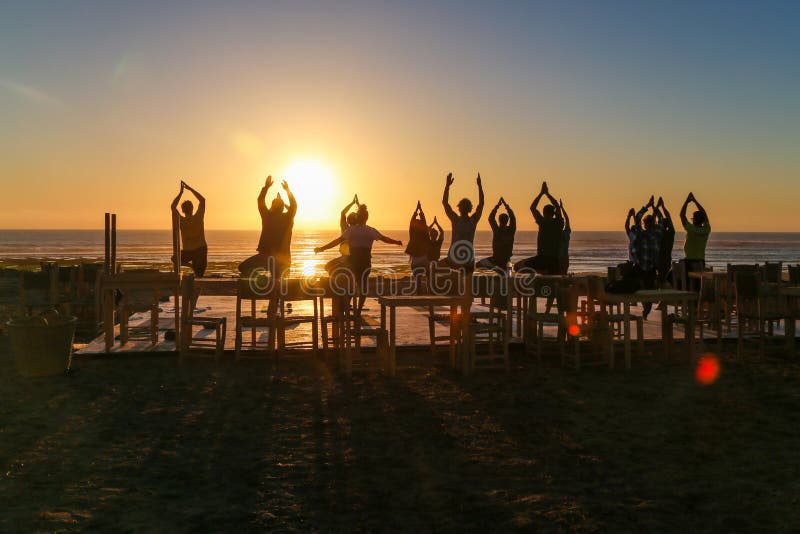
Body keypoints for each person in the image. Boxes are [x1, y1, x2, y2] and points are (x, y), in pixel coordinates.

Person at [314, 204, 403, 314]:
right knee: (363, 287)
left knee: (351, 286)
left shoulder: (352, 230)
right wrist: (396, 242)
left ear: (358, 218)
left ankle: (346, 305)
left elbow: (337, 241)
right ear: (366, 218)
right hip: (365, 262)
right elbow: (385, 239)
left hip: (353, 263)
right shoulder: (371, 230)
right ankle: (358, 310)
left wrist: (322, 248)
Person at [238, 175, 297, 278]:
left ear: (272, 206)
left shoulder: (267, 216)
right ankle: (266, 280)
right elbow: (293, 207)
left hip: (270, 258)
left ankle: (262, 279)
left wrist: (266, 187)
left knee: (243, 268)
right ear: (283, 208)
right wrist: (287, 191)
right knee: (279, 278)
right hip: (279, 259)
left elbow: (260, 201)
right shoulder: (287, 218)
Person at [514, 181, 563, 274]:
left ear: (544, 213)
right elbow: (557, 207)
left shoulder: (542, 222)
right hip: (555, 260)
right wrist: (548, 194)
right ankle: (543, 271)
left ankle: (540, 271)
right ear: (553, 213)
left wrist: (541, 193)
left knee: (516, 267)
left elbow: (532, 207)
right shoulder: (559, 223)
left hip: (542, 258)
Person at [439, 172, 484, 272]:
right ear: (470, 208)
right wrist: (480, 186)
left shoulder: (455, 220)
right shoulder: (473, 220)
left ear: (459, 208)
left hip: (453, 259)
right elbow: (481, 204)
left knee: (432, 269)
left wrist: (447, 186)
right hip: (468, 260)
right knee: (468, 283)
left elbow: (445, 203)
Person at [629, 196, 663, 319]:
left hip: (641, 267)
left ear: (644, 224)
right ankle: (646, 310)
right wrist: (655, 208)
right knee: (649, 289)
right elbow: (662, 220)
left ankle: (646, 309)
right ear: (653, 224)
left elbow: (637, 218)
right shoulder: (657, 234)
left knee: (644, 289)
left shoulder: (640, 234)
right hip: (652, 267)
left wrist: (647, 206)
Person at [170, 181, 207, 277]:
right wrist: (189, 189)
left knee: (175, 259)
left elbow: (173, 207)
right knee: (199, 276)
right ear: (192, 208)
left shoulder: (181, 220)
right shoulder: (198, 217)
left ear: (182, 210)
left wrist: (181, 193)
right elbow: (202, 200)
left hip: (191, 251)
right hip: (200, 249)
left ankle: (191, 266)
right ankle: (193, 267)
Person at [476, 197, 516, 271]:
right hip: (503, 259)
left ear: (499, 220)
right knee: (505, 273)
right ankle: (495, 269)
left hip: (497, 259)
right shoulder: (511, 230)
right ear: (507, 220)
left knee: (477, 265)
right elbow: (513, 218)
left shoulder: (497, 230)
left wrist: (497, 206)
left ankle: (495, 269)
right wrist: (506, 206)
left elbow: (491, 218)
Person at [325, 195, 360, 274]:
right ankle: (344, 275)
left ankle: (345, 276)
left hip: (350, 257)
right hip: (345, 257)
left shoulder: (358, 228)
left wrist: (353, 203)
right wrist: (356, 204)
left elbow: (343, 212)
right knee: (328, 267)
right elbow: (361, 214)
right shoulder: (349, 227)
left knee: (329, 268)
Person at [680, 192, 711, 275]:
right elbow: (704, 214)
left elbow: (682, 215)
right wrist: (695, 201)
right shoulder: (706, 229)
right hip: (700, 262)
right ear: (703, 221)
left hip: (689, 262)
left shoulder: (691, 229)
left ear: (694, 220)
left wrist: (687, 201)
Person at [406, 201, 431, 276]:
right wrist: (420, 210)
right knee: (428, 276)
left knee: (418, 277)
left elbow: (412, 222)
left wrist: (416, 210)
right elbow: (424, 221)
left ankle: (419, 286)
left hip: (416, 258)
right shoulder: (424, 232)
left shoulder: (413, 233)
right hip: (423, 257)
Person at [654, 196, 675, 286]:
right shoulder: (671, 233)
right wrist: (662, 206)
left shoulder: (657, 233)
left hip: (658, 260)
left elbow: (652, 220)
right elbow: (669, 217)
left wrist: (656, 207)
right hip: (666, 260)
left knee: (659, 280)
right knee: (664, 280)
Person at [558, 199, 571, 275]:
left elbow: (567, 219)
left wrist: (561, 208)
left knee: (562, 274)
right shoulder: (566, 232)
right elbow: (567, 219)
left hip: (563, 257)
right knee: (562, 274)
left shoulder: (566, 231)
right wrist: (561, 208)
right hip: (562, 257)